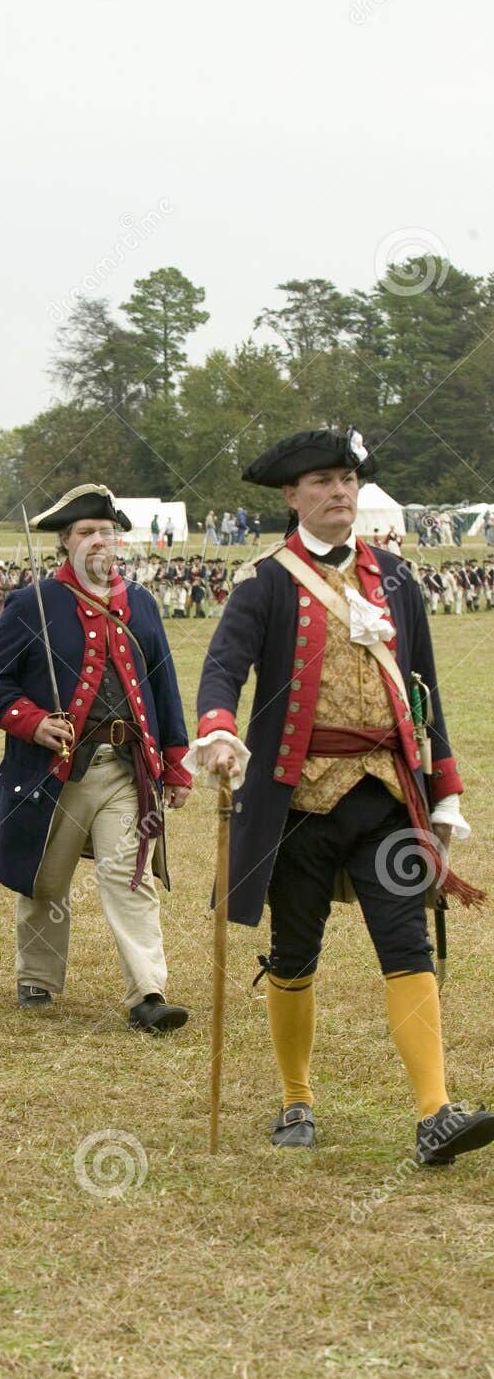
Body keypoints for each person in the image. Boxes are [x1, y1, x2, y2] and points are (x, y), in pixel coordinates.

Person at [189, 426, 494, 1165]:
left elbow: (421, 690)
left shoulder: (394, 578)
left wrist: (443, 786)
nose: (339, 492)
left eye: (347, 480)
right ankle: (296, 1099)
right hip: (295, 802)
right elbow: (222, 667)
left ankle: (434, 1114)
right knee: (293, 955)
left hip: (388, 795)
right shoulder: (263, 580)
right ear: (291, 497)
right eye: (322, 482)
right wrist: (219, 730)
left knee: (406, 945)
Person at [0, 484, 193, 1032]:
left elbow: (163, 684)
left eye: (107, 531)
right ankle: (39, 977)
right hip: (57, 770)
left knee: (131, 877)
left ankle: (148, 992)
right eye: (87, 532)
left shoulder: (139, 602)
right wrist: (33, 721)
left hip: (128, 769)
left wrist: (175, 762)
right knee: (47, 880)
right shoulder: (32, 603)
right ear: (65, 542)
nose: (100, 540)